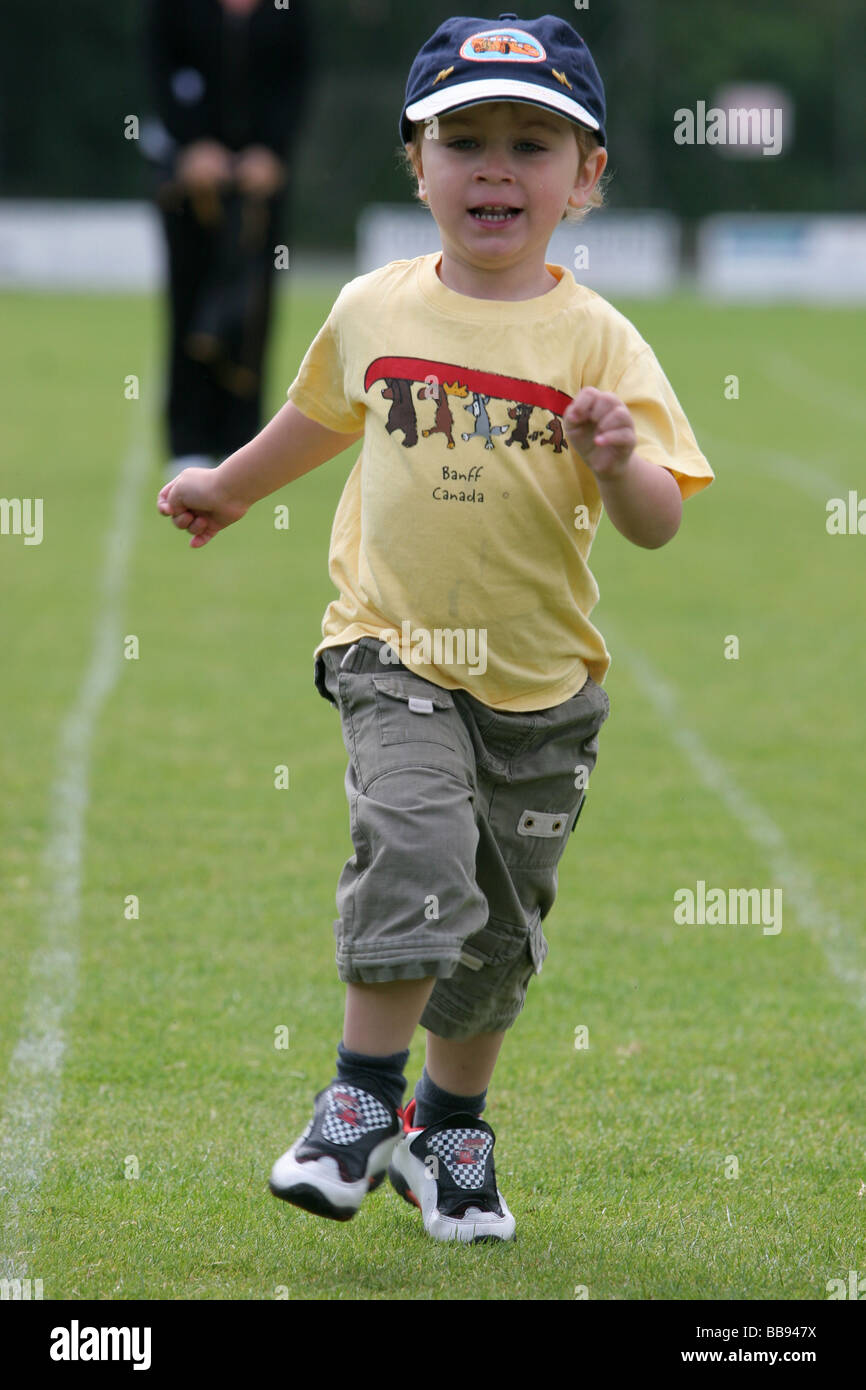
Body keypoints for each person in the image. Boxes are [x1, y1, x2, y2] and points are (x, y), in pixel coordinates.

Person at [157, 12, 714, 1243]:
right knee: (411, 849)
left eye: (532, 142)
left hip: (542, 685)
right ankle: (357, 1106)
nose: (495, 169)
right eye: (463, 139)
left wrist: (618, 460)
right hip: (392, 646)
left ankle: (448, 1129)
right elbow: (318, 415)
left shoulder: (597, 339)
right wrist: (231, 486)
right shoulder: (374, 306)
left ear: (587, 177)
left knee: (496, 935)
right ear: (416, 162)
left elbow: (658, 521)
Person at [143, 0, 313, 478]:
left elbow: (296, 82)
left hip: (262, 184)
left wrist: (273, 153)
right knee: (189, 299)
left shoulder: (290, 9)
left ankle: (244, 439)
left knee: (253, 307)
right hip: (190, 182)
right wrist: (192, 145)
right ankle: (188, 439)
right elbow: (160, 71)